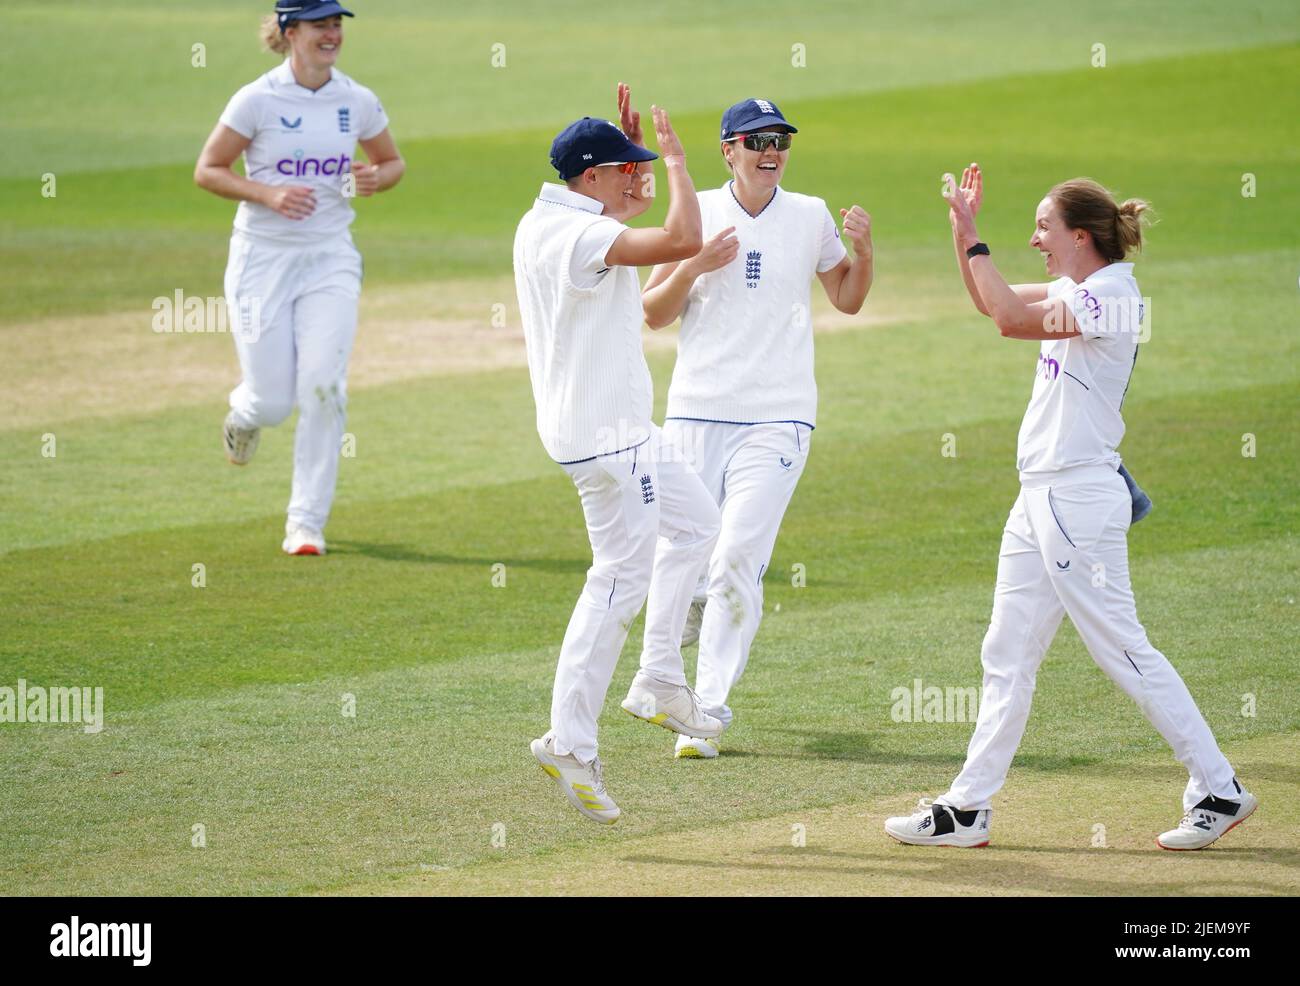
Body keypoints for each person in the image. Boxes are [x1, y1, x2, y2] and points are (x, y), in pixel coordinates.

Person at [884, 165, 1256, 850]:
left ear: (1080, 236)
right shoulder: (1079, 287)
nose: (1034, 240)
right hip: (1040, 498)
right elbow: (985, 300)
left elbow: (1007, 318)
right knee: (1006, 651)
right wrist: (960, 232)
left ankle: (1218, 786)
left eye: (1044, 227)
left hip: (1076, 500)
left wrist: (975, 240)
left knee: (1121, 648)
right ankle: (968, 808)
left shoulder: (1112, 298)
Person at [636, 98, 874, 758]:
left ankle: (705, 710)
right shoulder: (699, 214)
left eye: (781, 140)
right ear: (729, 151)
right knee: (683, 554)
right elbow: (653, 313)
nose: (772, 150)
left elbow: (847, 298)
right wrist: (693, 264)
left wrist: (864, 251)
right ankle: (690, 617)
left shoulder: (810, 215)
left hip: (778, 416)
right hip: (693, 412)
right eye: (757, 140)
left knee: (739, 558)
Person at [514, 86, 725, 824]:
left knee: (699, 524)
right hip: (611, 439)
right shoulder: (578, 239)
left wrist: (631, 171)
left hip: (608, 430)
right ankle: (569, 739)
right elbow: (681, 238)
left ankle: (662, 677)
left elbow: (626, 225)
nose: (634, 178)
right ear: (591, 175)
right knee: (617, 582)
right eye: (623, 169)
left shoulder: (545, 222)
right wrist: (671, 161)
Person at [194, 0, 404, 555]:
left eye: (336, 24)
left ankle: (305, 522)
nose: (332, 34)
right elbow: (208, 169)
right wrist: (267, 193)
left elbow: (392, 163)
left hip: (330, 257)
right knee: (272, 404)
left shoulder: (355, 99)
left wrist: (372, 179)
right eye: (320, 25)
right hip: (262, 259)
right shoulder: (257, 99)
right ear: (290, 32)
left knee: (323, 387)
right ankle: (244, 415)